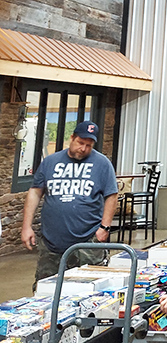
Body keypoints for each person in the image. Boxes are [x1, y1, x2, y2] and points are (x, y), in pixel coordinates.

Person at [21, 121, 118, 288]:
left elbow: (112, 195)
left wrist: (104, 227)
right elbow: (35, 192)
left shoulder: (102, 164)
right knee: (46, 289)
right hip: (52, 243)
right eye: (80, 142)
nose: (83, 148)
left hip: (87, 241)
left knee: (89, 289)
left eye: (89, 145)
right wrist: (26, 226)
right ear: (72, 138)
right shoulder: (50, 162)